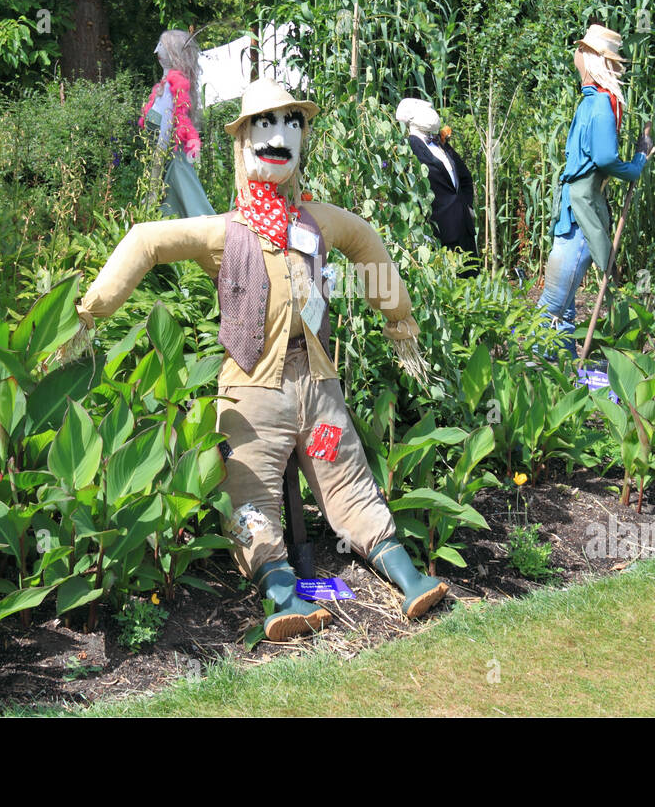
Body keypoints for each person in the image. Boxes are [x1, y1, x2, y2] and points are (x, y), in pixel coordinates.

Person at [76, 78, 448, 641]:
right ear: (244, 140)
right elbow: (147, 240)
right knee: (250, 497)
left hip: (318, 386)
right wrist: (89, 311)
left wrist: (398, 318)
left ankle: (410, 579)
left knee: (347, 478)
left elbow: (367, 240)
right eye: (265, 125)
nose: (280, 137)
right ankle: (281, 596)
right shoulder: (226, 231)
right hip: (253, 394)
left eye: (292, 124)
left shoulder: (316, 222)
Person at [538, 24, 655, 356]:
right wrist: (634, 162)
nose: (576, 56)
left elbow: (603, 158)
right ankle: (550, 370)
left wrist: (635, 162)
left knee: (555, 304)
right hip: (576, 211)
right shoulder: (595, 103)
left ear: (591, 60)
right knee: (558, 306)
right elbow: (602, 156)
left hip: (580, 213)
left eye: (582, 52)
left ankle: (549, 369)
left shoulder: (598, 104)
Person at [139, 30, 215, 218]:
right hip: (170, 165)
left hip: (171, 168)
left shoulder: (171, 89)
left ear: (174, 52)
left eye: (162, 46)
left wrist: (153, 185)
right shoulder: (165, 88)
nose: (157, 51)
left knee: (190, 218)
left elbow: (164, 138)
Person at [396, 97, 478, 270]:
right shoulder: (409, 148)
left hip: (464, 228)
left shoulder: (442, 145)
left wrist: (467, 206)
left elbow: (464, 177)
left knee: (472, 284)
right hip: (441, 232)